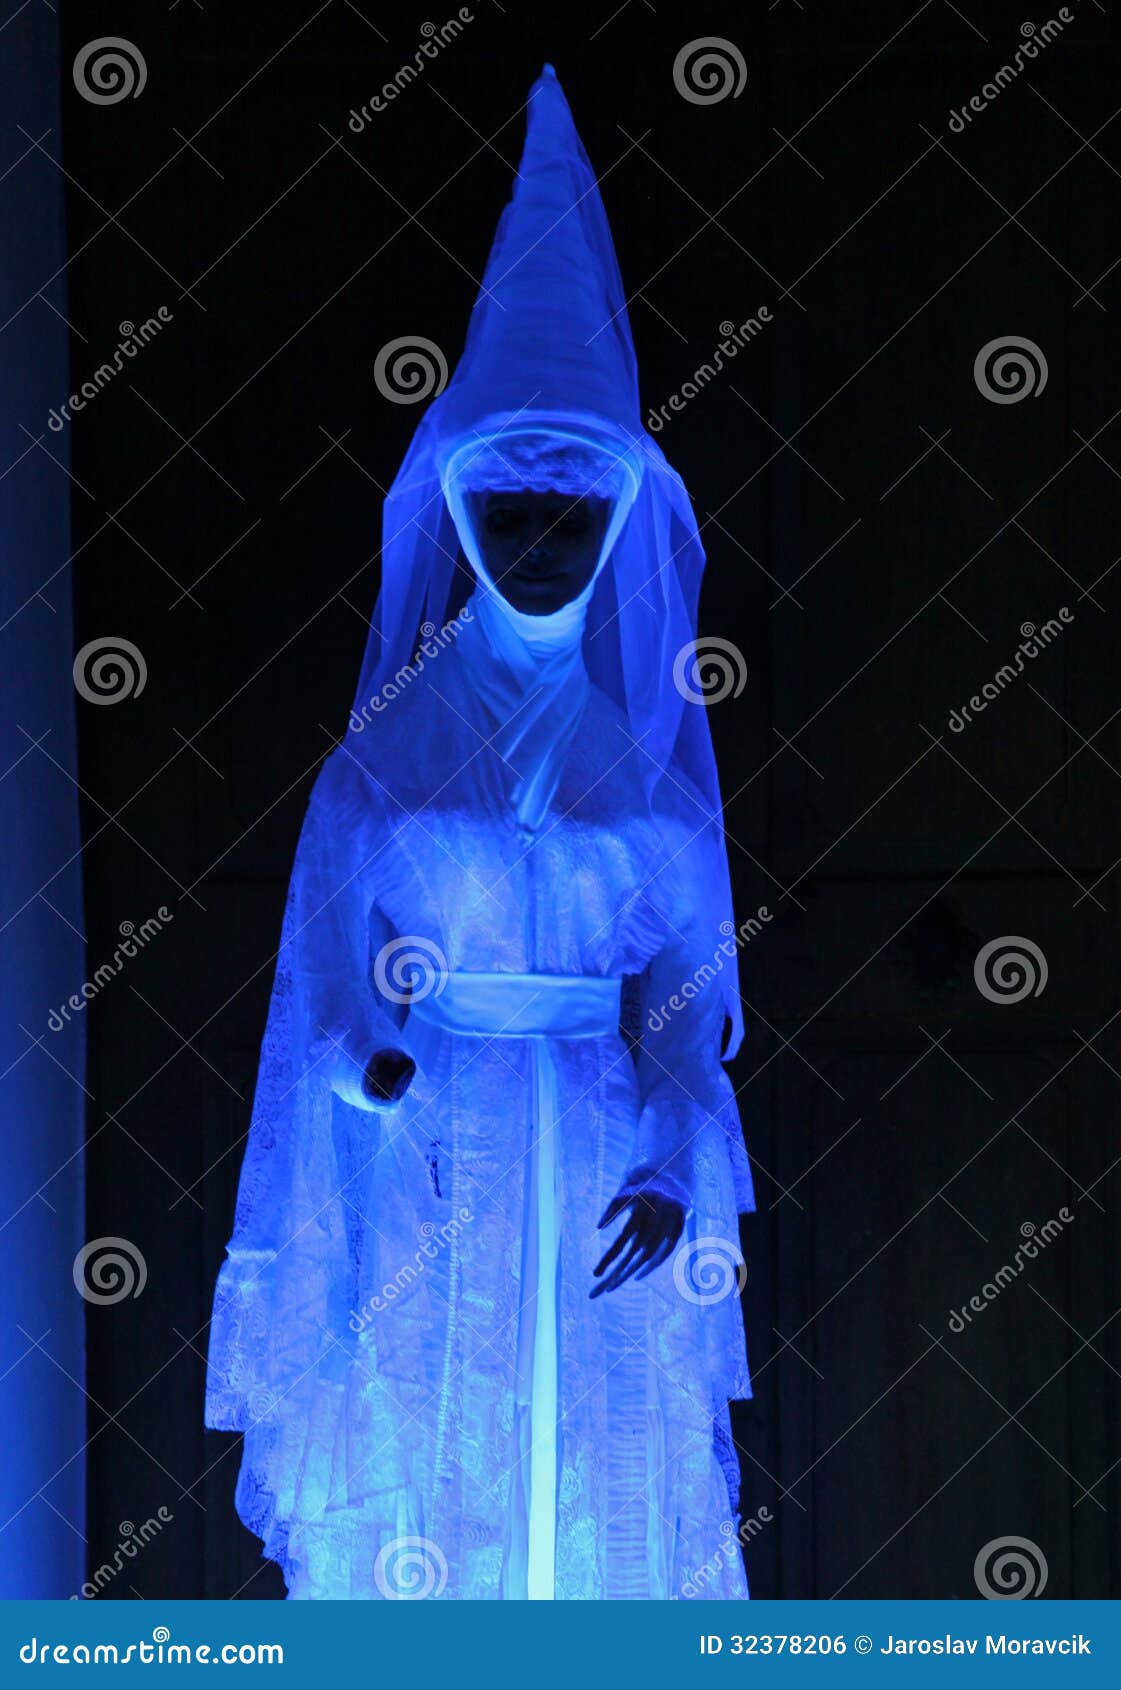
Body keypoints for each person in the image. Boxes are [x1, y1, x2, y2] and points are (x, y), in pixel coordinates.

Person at [206, 64, 755, 1601]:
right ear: (455, 516)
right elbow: (329, 952)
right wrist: (355, 1056)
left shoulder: (644, 767)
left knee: (601, 1447)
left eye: (566, 510)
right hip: (429, 1135)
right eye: (506, 509)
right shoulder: (386, 758)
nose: (534, 540)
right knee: (432, 1431)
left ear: (612, 521)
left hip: (593, 1142)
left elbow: (679, 980)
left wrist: (664, 1138)